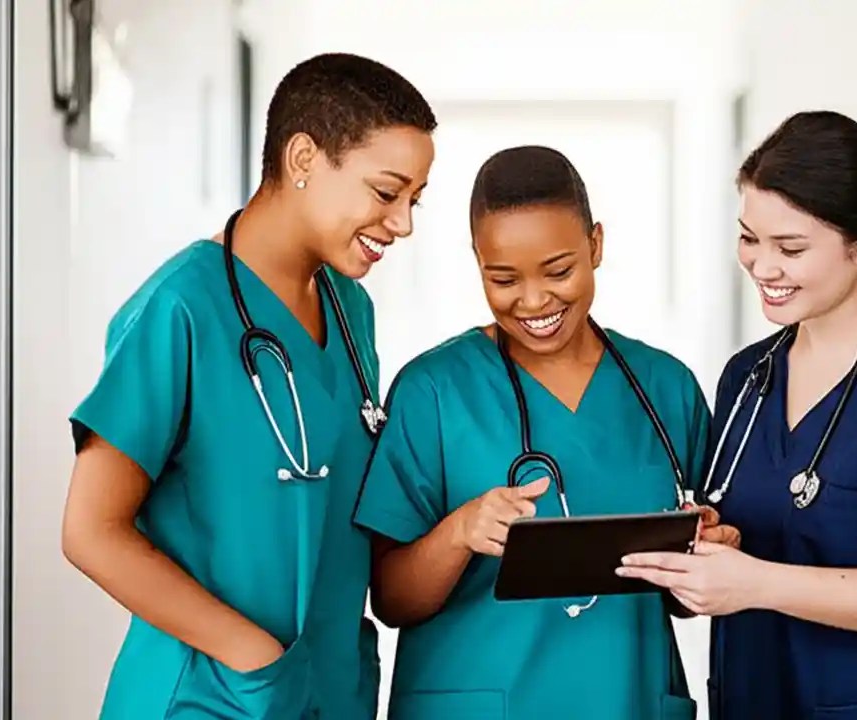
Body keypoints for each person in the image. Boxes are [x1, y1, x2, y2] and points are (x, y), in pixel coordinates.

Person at [60, 53, 436, 719]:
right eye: (386, 193)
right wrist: (253, 657)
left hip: (324, 693)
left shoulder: (352, 311)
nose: (404, 223)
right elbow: (91, 531)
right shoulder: (181, 309)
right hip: (210, 697)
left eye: (414, 200)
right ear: (302, 159)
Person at [617, 110, 857, 719]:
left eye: (791, 247)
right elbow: (774, 525)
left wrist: (755, 581)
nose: (762, 266)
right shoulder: (749, 377)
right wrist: (712, 539)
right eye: (749, 238)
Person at [352, 145, 733, 720]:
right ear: (477, 262)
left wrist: (707, 551)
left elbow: (685, 601)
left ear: (596, 246)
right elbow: (392, 599)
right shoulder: (433, 391)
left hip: (626, 700)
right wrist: (460, 532)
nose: (533, 301)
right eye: (502, 278)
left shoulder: (665, 389)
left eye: (558, 271)